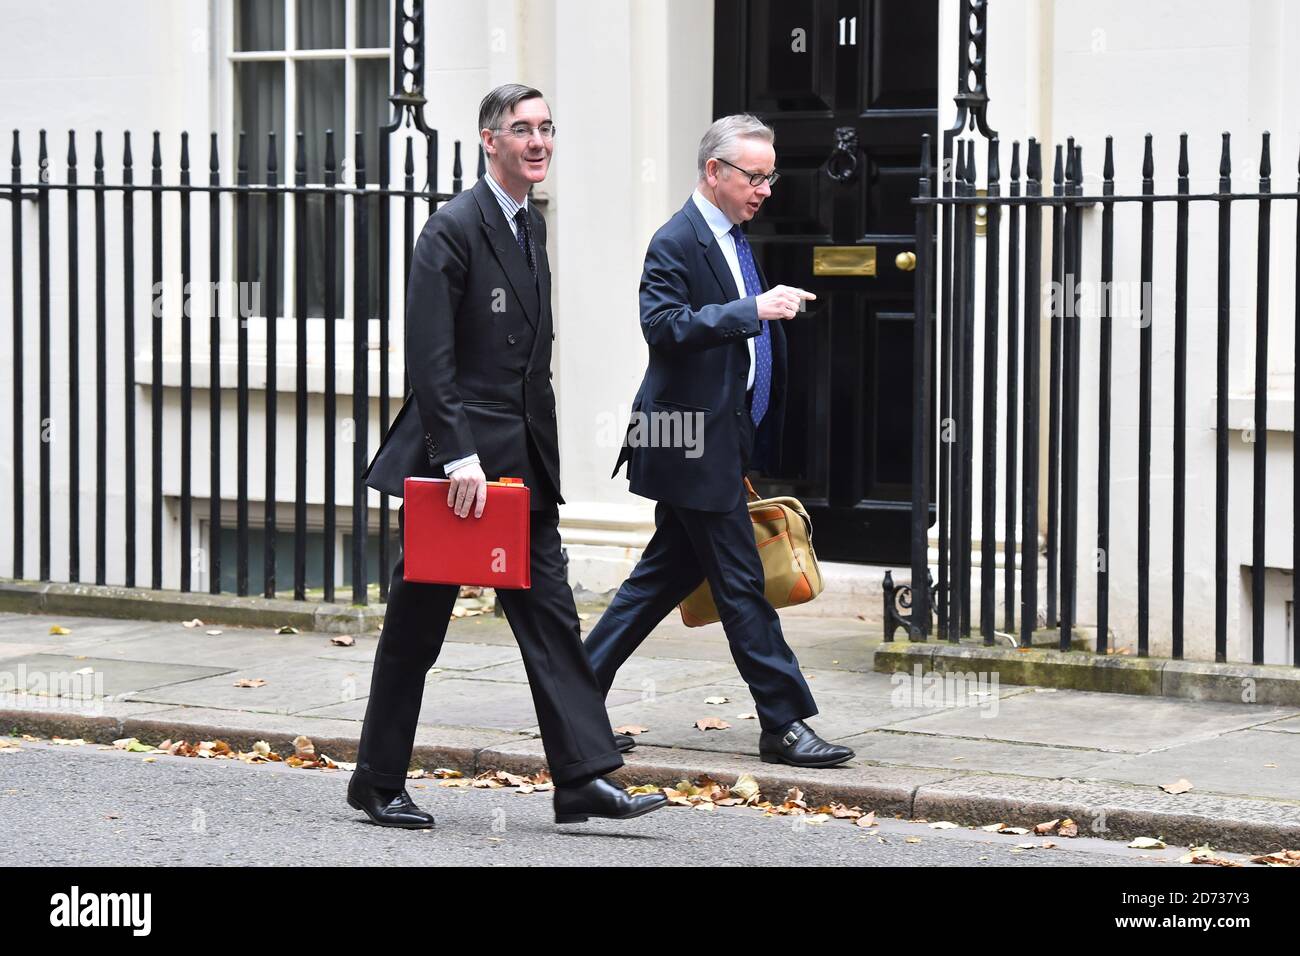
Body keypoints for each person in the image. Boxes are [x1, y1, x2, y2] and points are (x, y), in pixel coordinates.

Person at [350, 84, 668, 828]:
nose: (538, 141)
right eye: (522, 129)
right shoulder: (452, 228)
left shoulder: (532, 227)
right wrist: (455, 455)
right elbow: (431, 358)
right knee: (416, 627)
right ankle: (376, 777)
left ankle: (582, 777)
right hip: (458, 471)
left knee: (551, 617)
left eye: (547, 128)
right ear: (488, 140)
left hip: (521, 467)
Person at [590, 114, 854, 769]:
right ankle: (784, 725)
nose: (765, 189)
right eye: (754, 176)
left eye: (770, 177)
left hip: (719, 440)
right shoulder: (677, 241)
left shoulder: (735, 239)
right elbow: (664, 326)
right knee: (741, 583)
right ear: (715, 172)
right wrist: (752, 311)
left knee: (656, 583)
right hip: (685, 442)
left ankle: (571, 702)